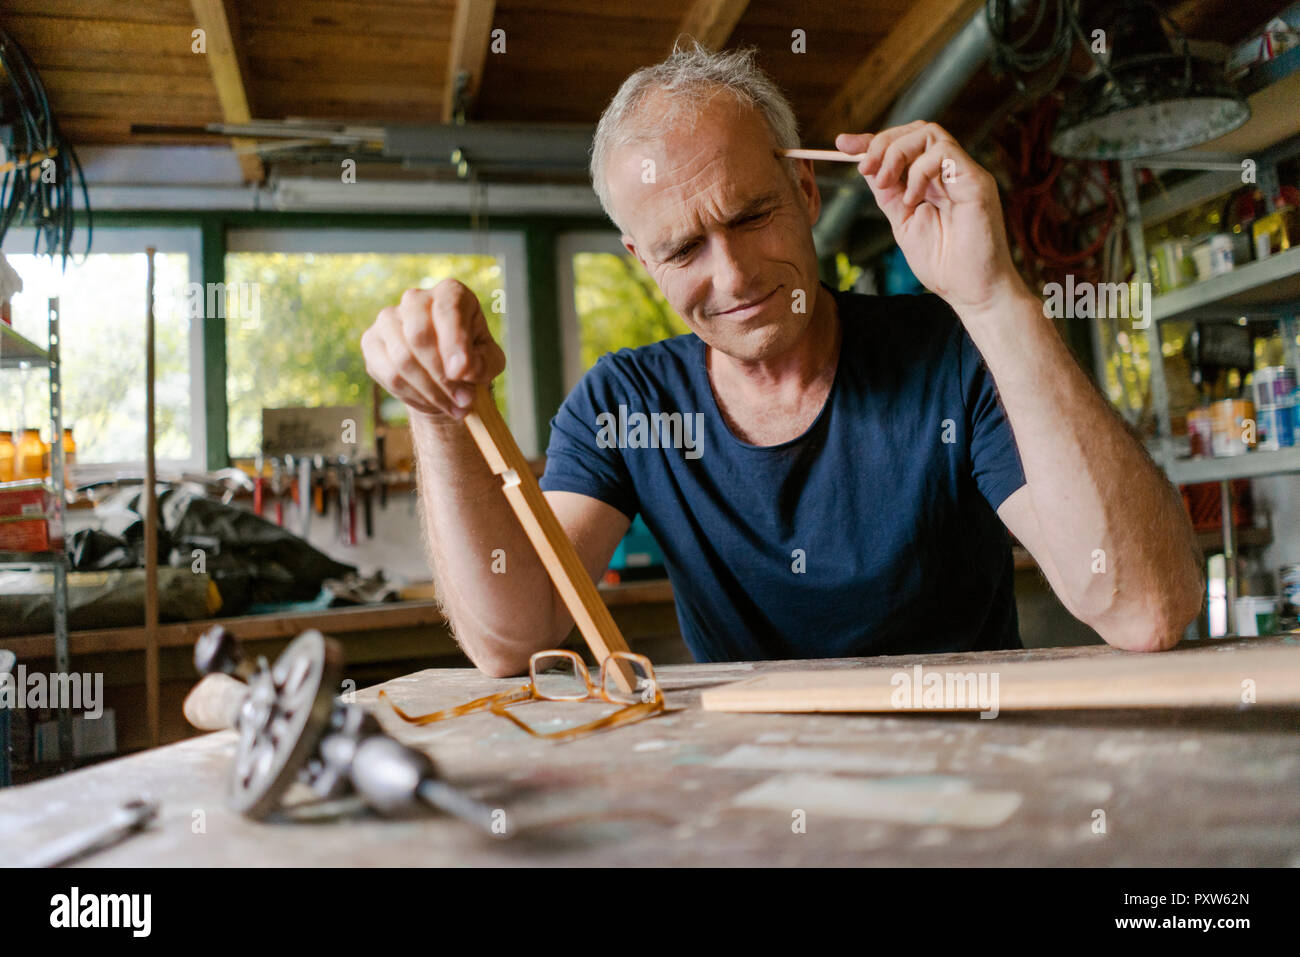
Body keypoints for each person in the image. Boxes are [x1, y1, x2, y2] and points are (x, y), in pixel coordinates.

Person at [361, 43, 1203, 675]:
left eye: (753, 214)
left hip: (973, 778)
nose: (733, 276)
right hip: (752, 798)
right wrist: (440, 416)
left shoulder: (953, 354)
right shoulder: (628, 403)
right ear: (640, 261)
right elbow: (518, 635)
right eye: (684, 247)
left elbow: (1146, 609)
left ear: (805, 192)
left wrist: (994, 298)